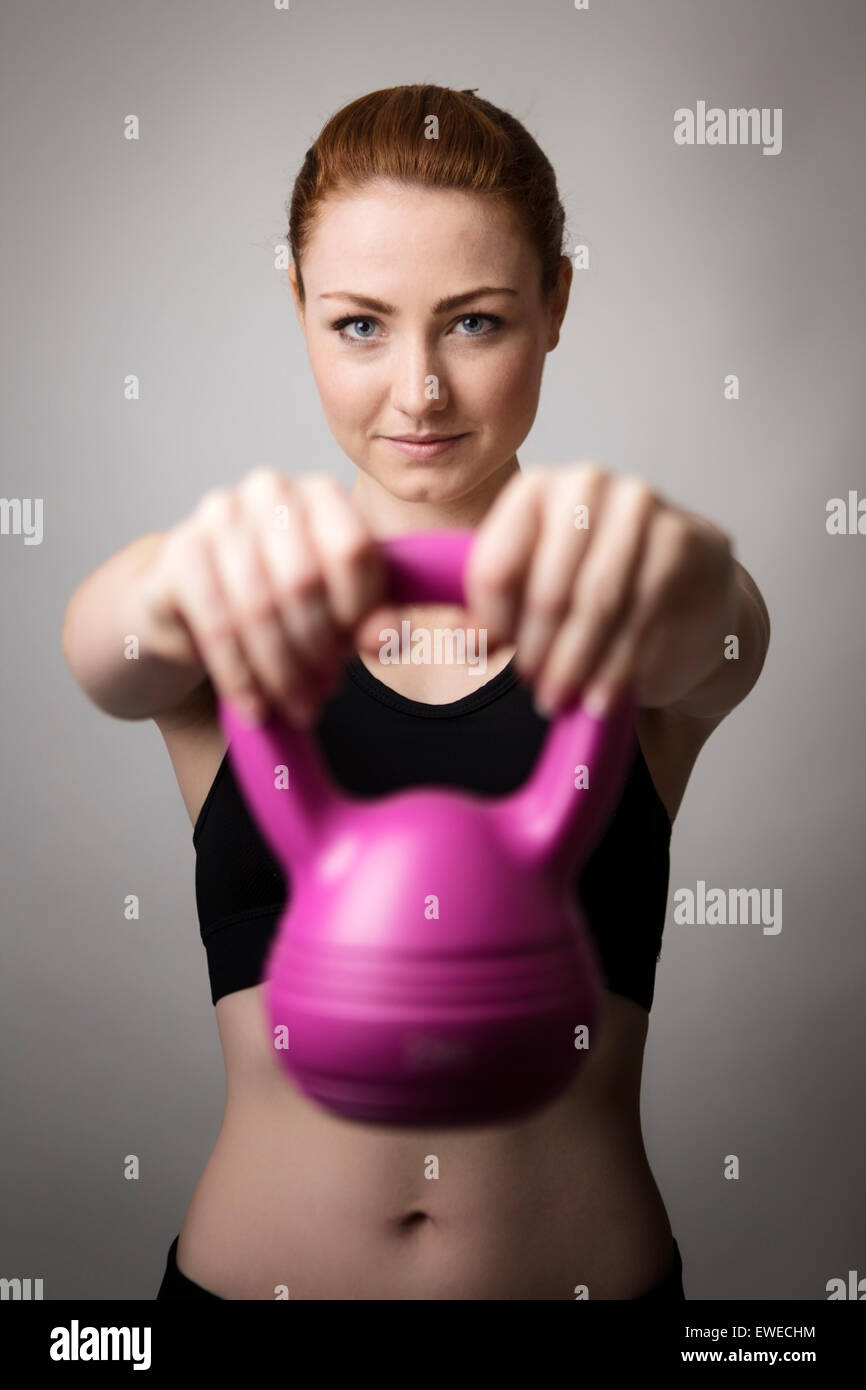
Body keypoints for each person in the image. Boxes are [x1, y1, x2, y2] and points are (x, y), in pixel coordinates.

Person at [61, 84, 770, 1300]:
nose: (420, 391)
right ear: (296, 306)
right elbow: (104, 652)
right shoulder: (236, 598)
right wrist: (182, 573)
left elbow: (719, 638)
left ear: (555, 301)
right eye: (358, 325)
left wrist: (681, 566)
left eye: (475, 323)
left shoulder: (629, 609)